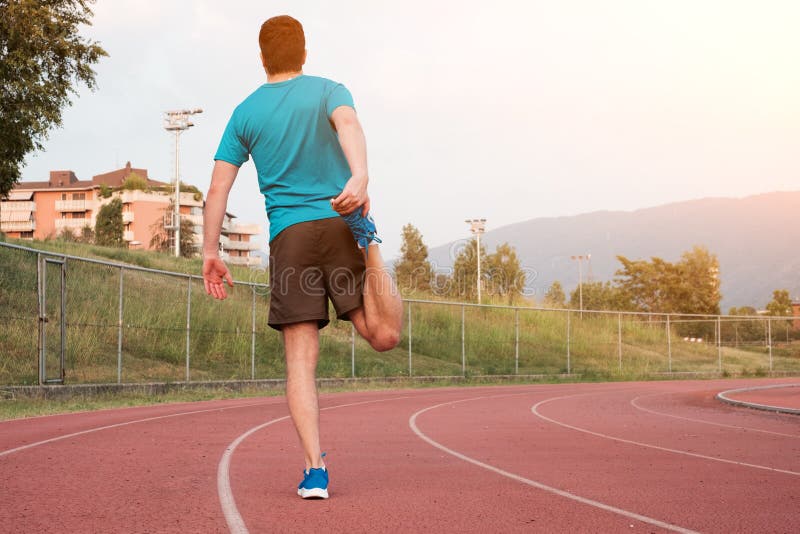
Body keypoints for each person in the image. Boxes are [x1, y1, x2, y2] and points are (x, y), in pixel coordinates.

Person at [202, 15, 403, 500]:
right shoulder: (329, 89)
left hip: (290, 237)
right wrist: (360, 176)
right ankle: (370, 239)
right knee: (384, 335)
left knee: (300, 361)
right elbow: (349, 123)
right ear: (304, 53)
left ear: (262, 57)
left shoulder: (245, 112)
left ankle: (315, 470)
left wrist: (211, 251)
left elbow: (217, 188)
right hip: (341, 221)